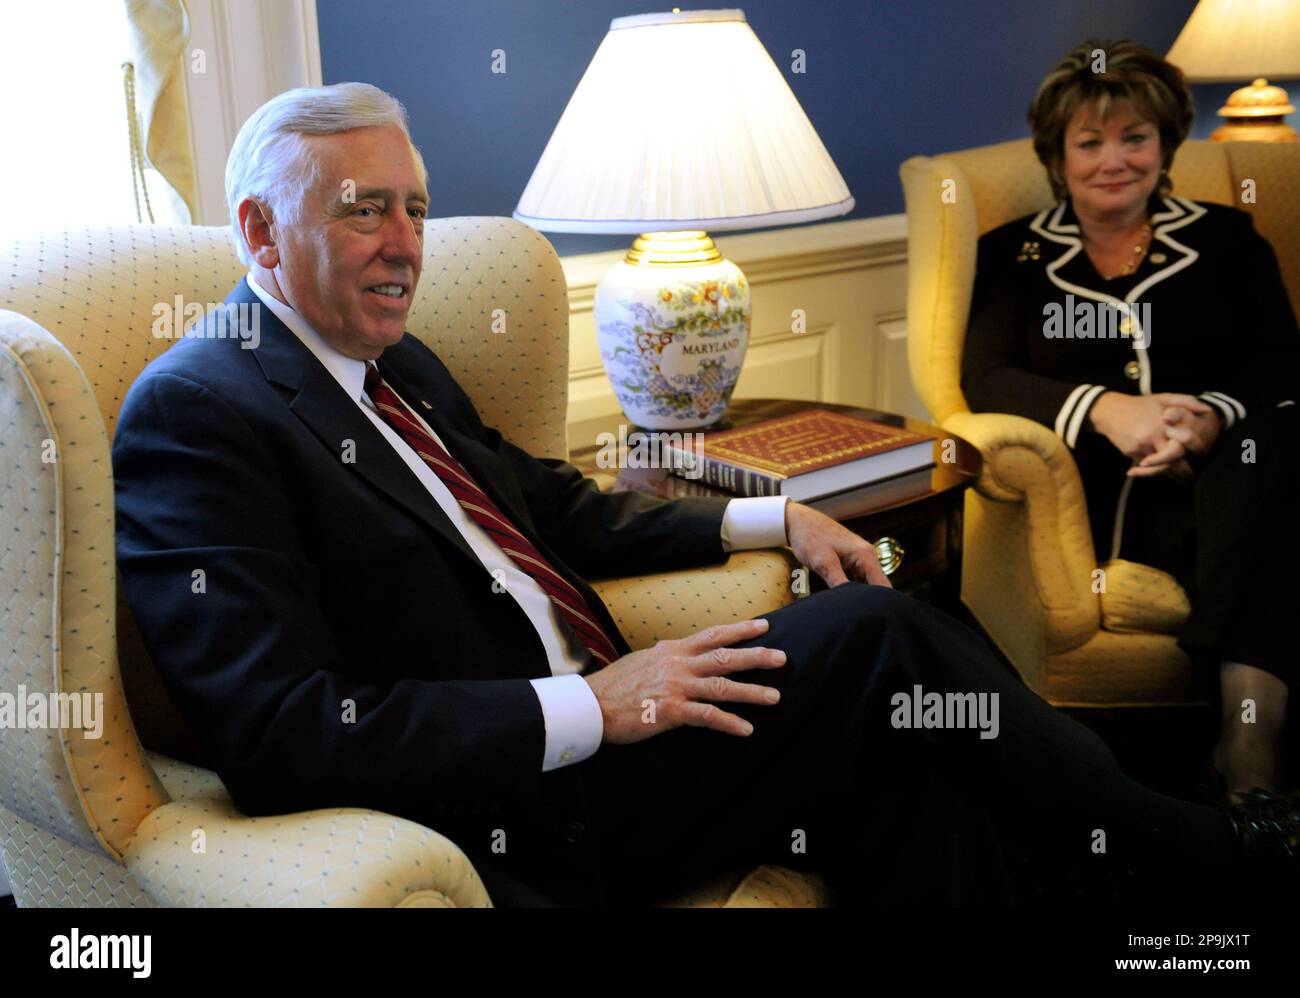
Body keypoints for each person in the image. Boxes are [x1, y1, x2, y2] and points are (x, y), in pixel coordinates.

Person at [113, 81, 1297, 908]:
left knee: (905, 762)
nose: (404, 243)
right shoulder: (202, 413)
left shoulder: (390, 358)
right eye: (362, 208)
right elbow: (287, 734)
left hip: (616, 736)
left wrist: (766, 516)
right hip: (520, 796)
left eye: (415, 206)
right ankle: (1204, 855)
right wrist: (594, 705)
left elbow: (548, 502)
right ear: (262, 231)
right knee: (880, 627)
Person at [962, 39, 1300, 801]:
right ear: (1058, 156)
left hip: (1240, 471)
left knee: (1273, 446)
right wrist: (1109, 410)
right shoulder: (1011, 255)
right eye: (1090, 142)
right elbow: (985, 378)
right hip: (1112, 500)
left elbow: (1283, 361)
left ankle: (1250, 749)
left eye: (1134, 137)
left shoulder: (1225, 240)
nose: (1114, 159)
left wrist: (1210, 420)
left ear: (1166, 144)